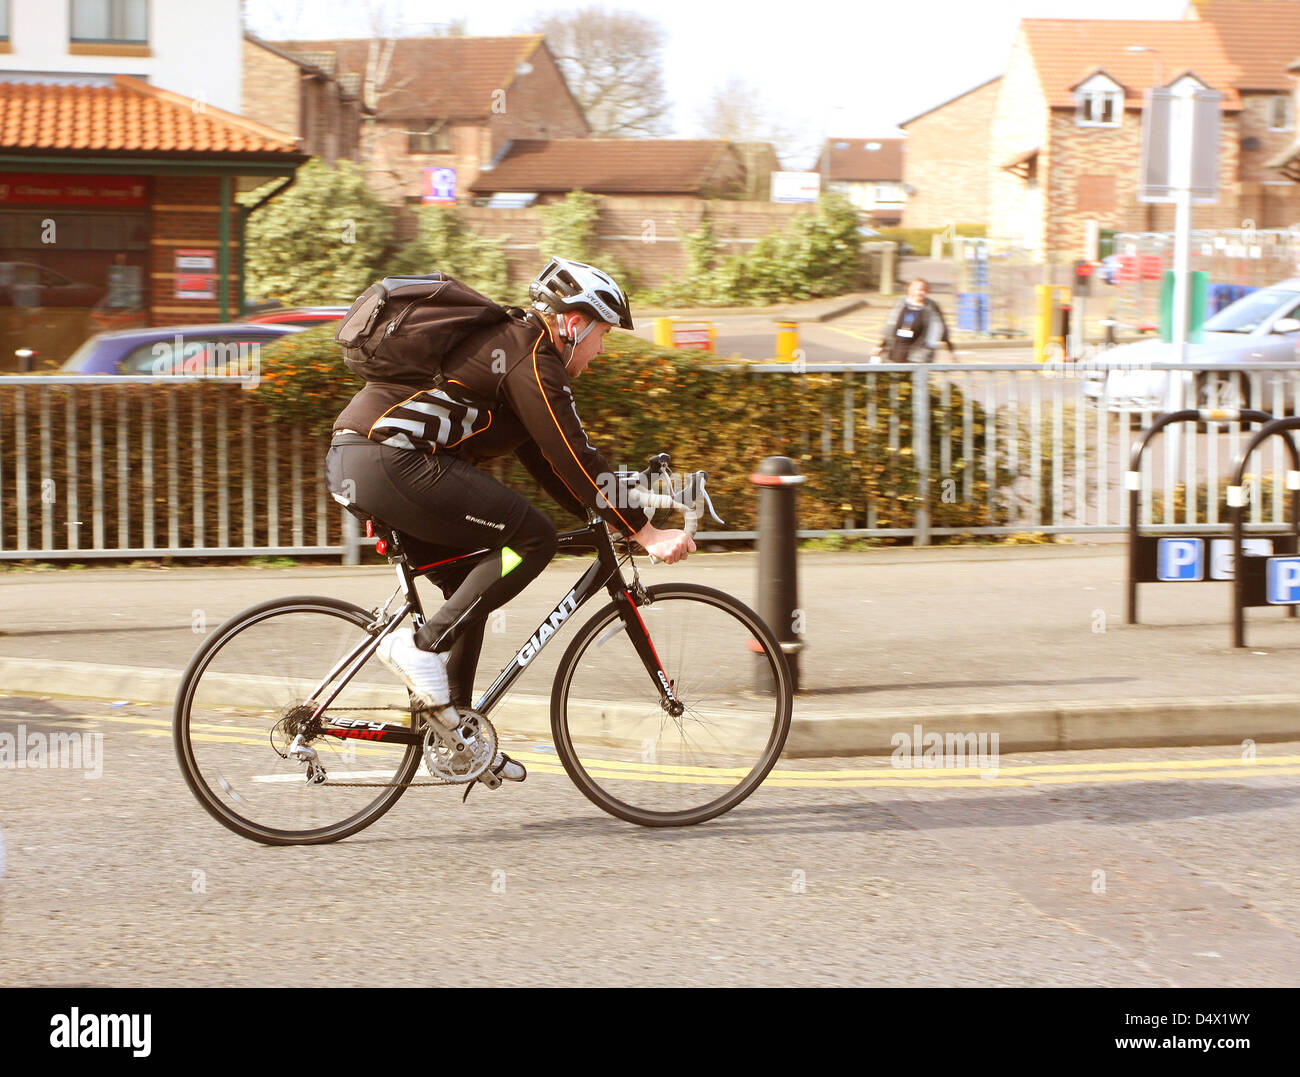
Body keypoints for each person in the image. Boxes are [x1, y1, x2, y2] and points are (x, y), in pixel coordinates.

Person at [325, 257, 696, 786]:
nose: (602, 350)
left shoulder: (513, 354)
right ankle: (419, 647)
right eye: (603, 335)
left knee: (476, 579)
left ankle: (455, 734)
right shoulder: (529, 354)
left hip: (366, 462)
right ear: (575, 323)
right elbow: (573, 453)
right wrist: (644, 530)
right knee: (531, 539)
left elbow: (550, 465)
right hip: (389, 461)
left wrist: (612, 516)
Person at [871, 278, 956, 363]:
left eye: (923, 290)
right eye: (916, 289)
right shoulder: (901, 303)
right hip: (896, 352)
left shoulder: (931, 307)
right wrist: (880, 346)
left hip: (919, 356)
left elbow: (942, 328)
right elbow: (891, 325)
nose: (919, 292)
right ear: (909, 290)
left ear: (927, 291)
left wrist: (950, 349)